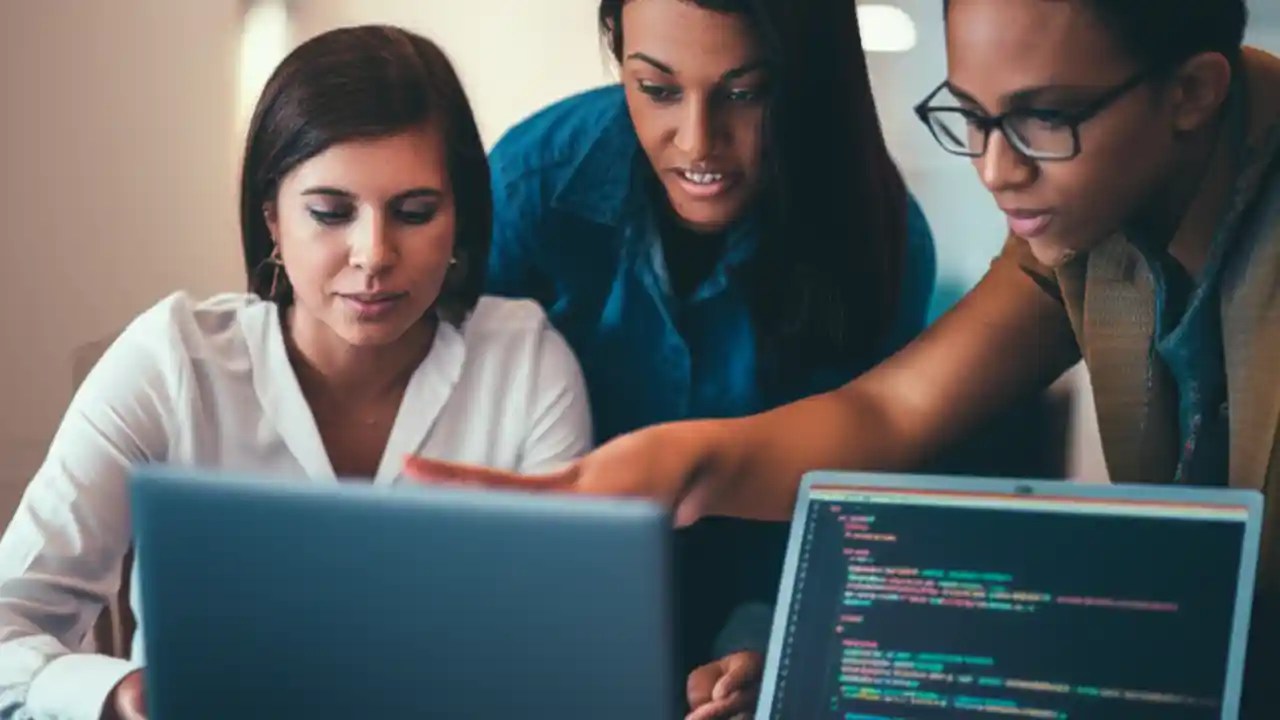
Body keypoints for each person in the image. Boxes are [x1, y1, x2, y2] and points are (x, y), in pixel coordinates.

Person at [417, 0, 1280, 715]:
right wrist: (683, 462)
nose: (994, 170)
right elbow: (890, 412)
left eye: (1042, 118)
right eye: (971, 117)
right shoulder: (1075, 226)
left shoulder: (893, 225)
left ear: (1193, 91)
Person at [0, 25, 591, 720]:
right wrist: (118, 693)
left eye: (414, 212)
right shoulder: (171, 359)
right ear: (272, 219)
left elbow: (571, 650)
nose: (373, 254)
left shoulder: (526, 365)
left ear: (460, 220)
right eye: (330, 212)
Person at [478, 0, 935, 715]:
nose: (697, 141)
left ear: (806, 76)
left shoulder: (881, 236)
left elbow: (860, 517)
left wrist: (777, 643)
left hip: (762, 638)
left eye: (745, 92)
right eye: (658, 90)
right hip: (537, 631)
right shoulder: (528, 186)